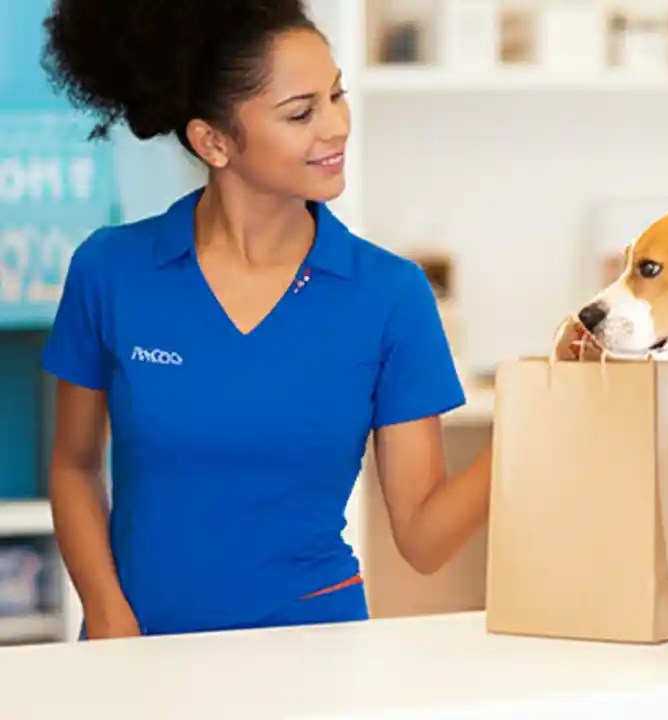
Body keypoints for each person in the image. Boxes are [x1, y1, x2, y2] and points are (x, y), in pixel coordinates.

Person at [39, 0, 492, 639]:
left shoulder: (391, 296)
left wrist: (535, 423)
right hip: (136, 656)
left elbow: (422, 536)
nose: (336, 127)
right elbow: (74, 464)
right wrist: (109, 615)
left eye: (337, 96)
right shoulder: (111, 272)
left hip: (313, 655)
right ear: (213, 141)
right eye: (301, 112)